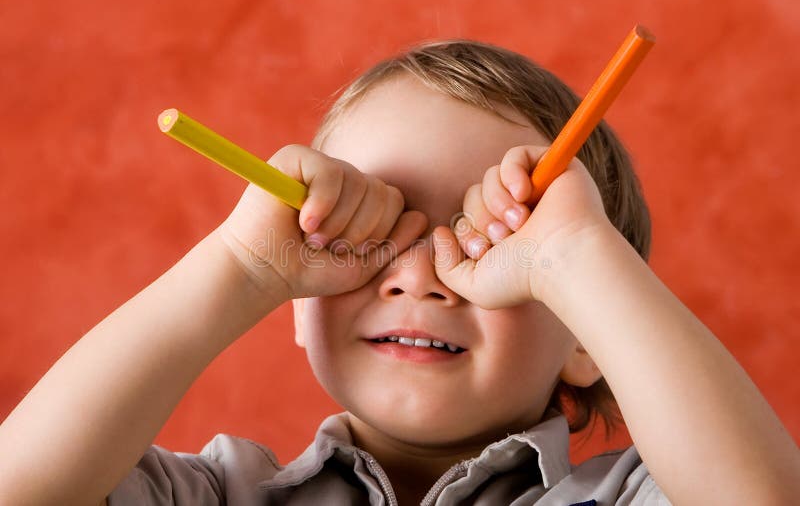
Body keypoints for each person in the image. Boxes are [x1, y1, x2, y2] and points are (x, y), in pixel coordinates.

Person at [1, 40, 797, 506]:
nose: (420, 279)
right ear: (296, 292)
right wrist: (240, 267)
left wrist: (577, 254)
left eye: (491, 245)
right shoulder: (223, 494)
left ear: (589, 336)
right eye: (369, 232)